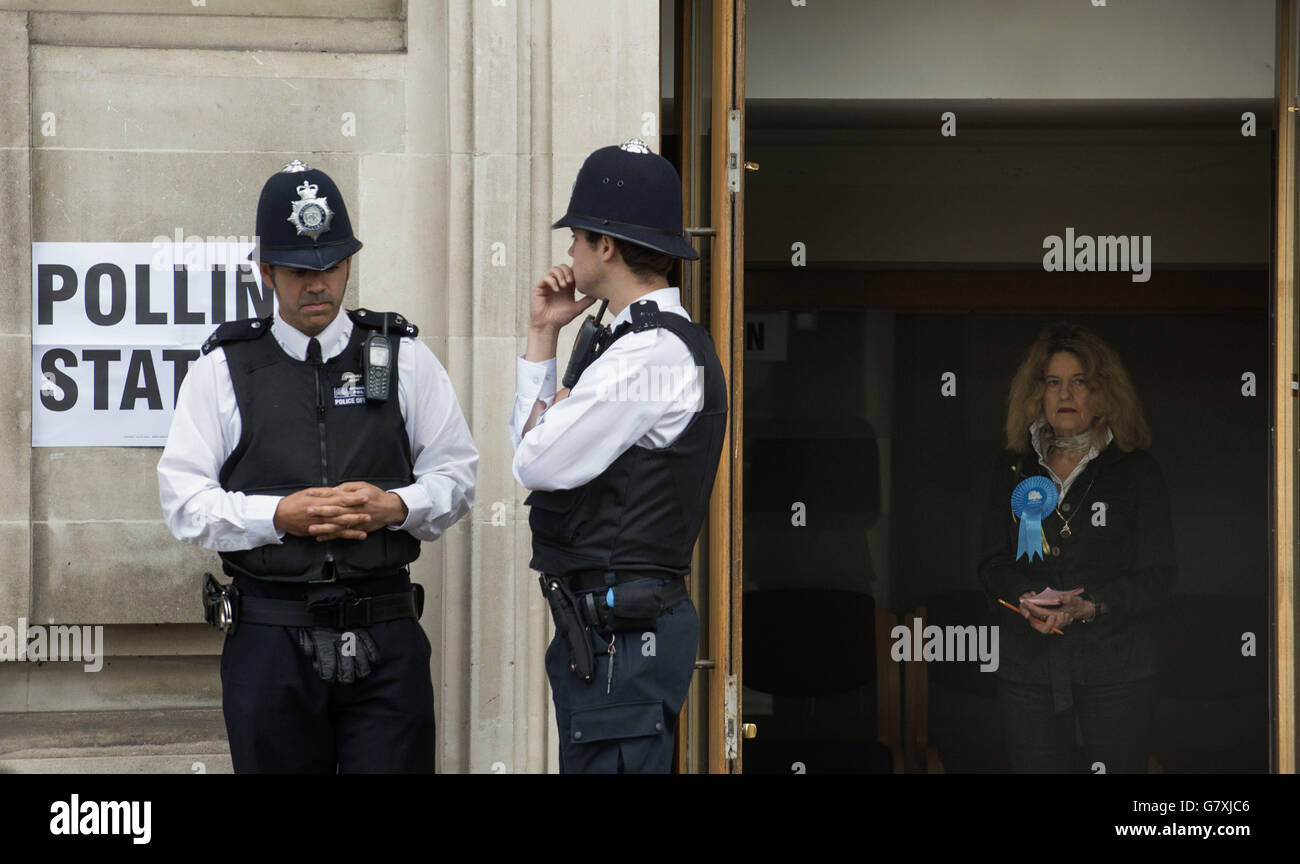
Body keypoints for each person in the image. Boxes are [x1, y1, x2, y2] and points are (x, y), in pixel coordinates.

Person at [157, 160, 477, 773]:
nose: (318, 284)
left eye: (331, 265)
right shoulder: (224, 368)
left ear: (349, 263)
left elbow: (458, 476)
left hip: (385, 631)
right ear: (267, 270)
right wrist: (278, 516)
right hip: (271, 635)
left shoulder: (399, 357)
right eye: (301, 270)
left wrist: (399, 506)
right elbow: (184, 500)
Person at [509, 139, 727, 773]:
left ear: (606, 245)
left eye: (577, 237)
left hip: (623, 634)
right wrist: (545, 334)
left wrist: (552, 411)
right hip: (608, 630)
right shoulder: (627, 340)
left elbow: (533, 462)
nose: (569, 252)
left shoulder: (646, 354)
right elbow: (536, 450)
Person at [977, 323, 1176, 773]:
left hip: (1118, 667)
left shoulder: (1137, 471)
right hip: (1028, 668)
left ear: (1102, 394)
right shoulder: (1013, 467)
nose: (1065, 393)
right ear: (1037, 394)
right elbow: (991, 562)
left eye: (1079, 381)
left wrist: (1092, 606)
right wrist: (1026, 601)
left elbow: (1159, 575)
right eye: (1052, 382)